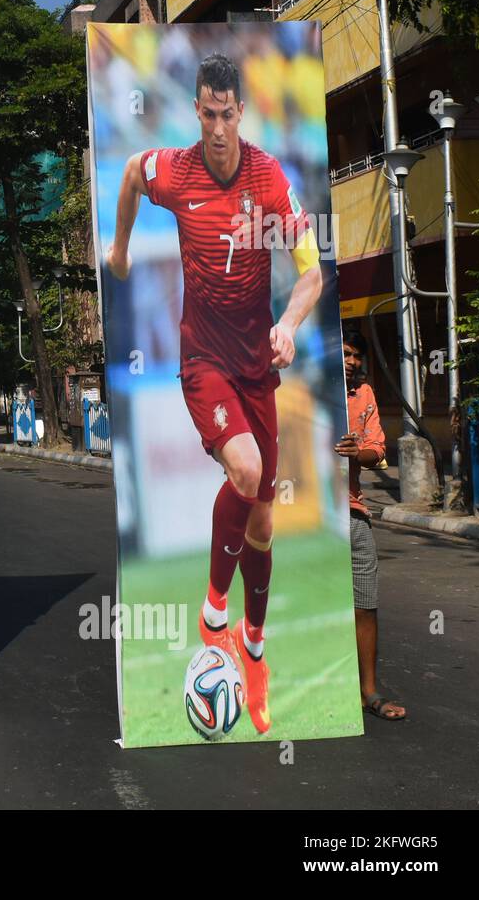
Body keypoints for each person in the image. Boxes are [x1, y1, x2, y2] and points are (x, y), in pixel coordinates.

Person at [106, 54, 324, 734]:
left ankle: (254, 649)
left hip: (259, 366)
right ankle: (212, 611)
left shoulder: (268, 179)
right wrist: (118, 249)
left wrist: (288, 323)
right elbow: (130, 173)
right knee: (250, 470)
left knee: (263, 521)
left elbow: (313, 271)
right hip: (202, 360)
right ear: (196, 111)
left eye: (230, 113)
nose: (221, 125)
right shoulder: (177, 169)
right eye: (210, 113)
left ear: (241, 113)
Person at [337, 329, 406, 721]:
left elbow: (377, 450)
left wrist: (356, 452)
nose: (352, 362)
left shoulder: (363, 396)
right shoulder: (300, 388)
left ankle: (368, 691)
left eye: (357, 356)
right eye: (346, 354)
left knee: (365, 602)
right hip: (304, 512)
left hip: (352, 510)